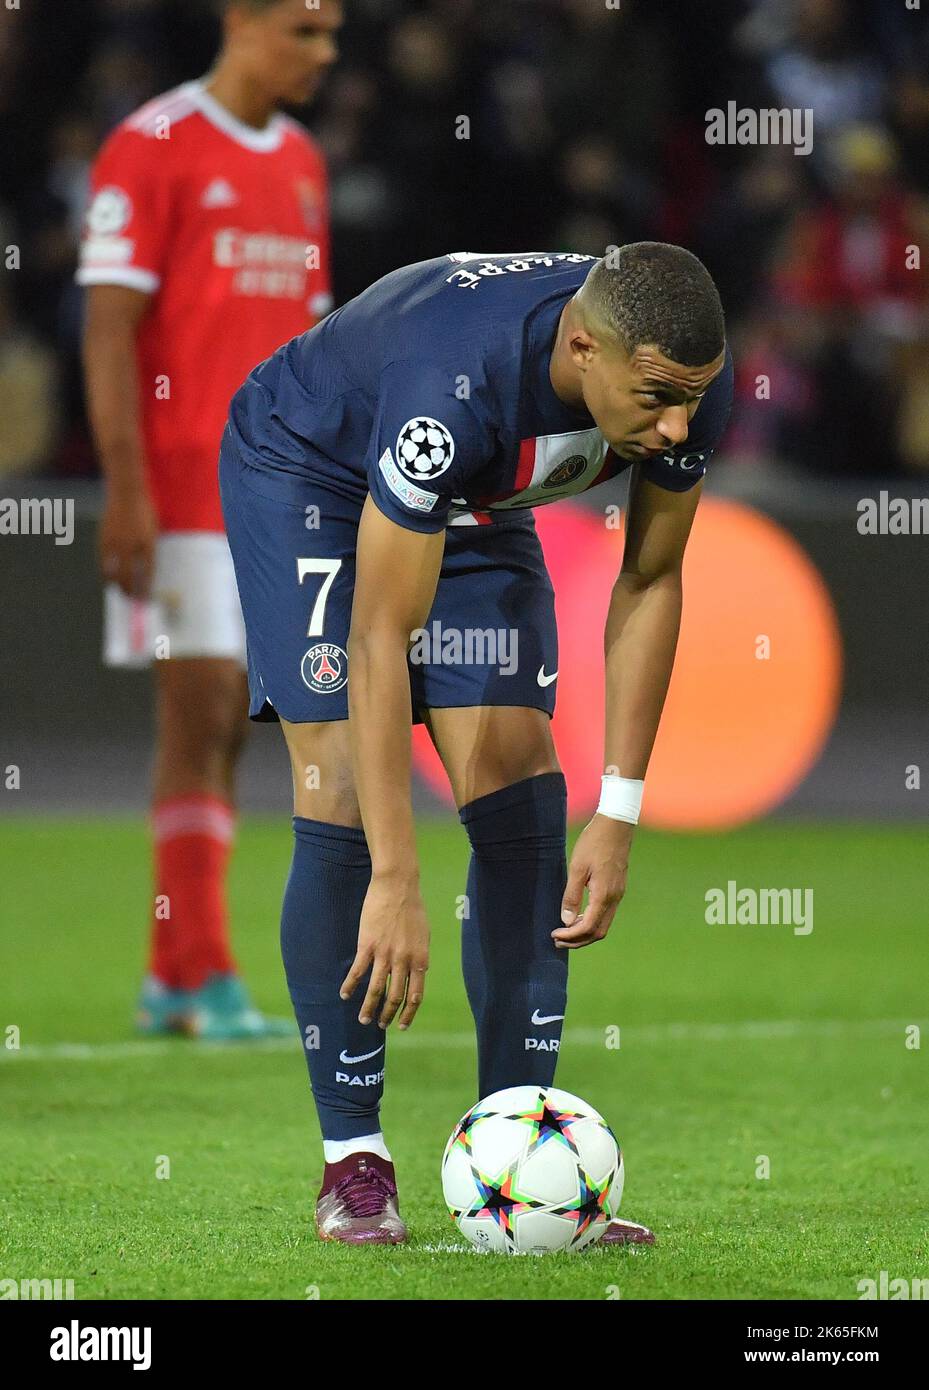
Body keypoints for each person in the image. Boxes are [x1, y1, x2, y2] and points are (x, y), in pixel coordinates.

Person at [219, 243, 733, 1243]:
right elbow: (378, 635)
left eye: (693, 401)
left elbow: (650, 580)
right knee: (334, 788)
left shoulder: (678, 373)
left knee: (519, 778)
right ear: (582, 349)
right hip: (315, 470)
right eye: (659, 398)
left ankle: (518, 1155)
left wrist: (618, 808)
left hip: (479, 494)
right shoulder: (447, 390)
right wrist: (396, 876)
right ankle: (352, 1163)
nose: (677, 426)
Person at [79, 0, 342, 1039]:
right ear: (241, 20)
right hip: (183, 485)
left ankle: (173, 975)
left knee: (235, 727)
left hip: (281, 493)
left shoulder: (304, 162)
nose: (322, 56)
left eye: (331, 38)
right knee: (203, 710)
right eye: (304, 32)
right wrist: (125, 489)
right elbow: (106, 333)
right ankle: (203, 973)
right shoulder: (150, 145)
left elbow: (313, 350)